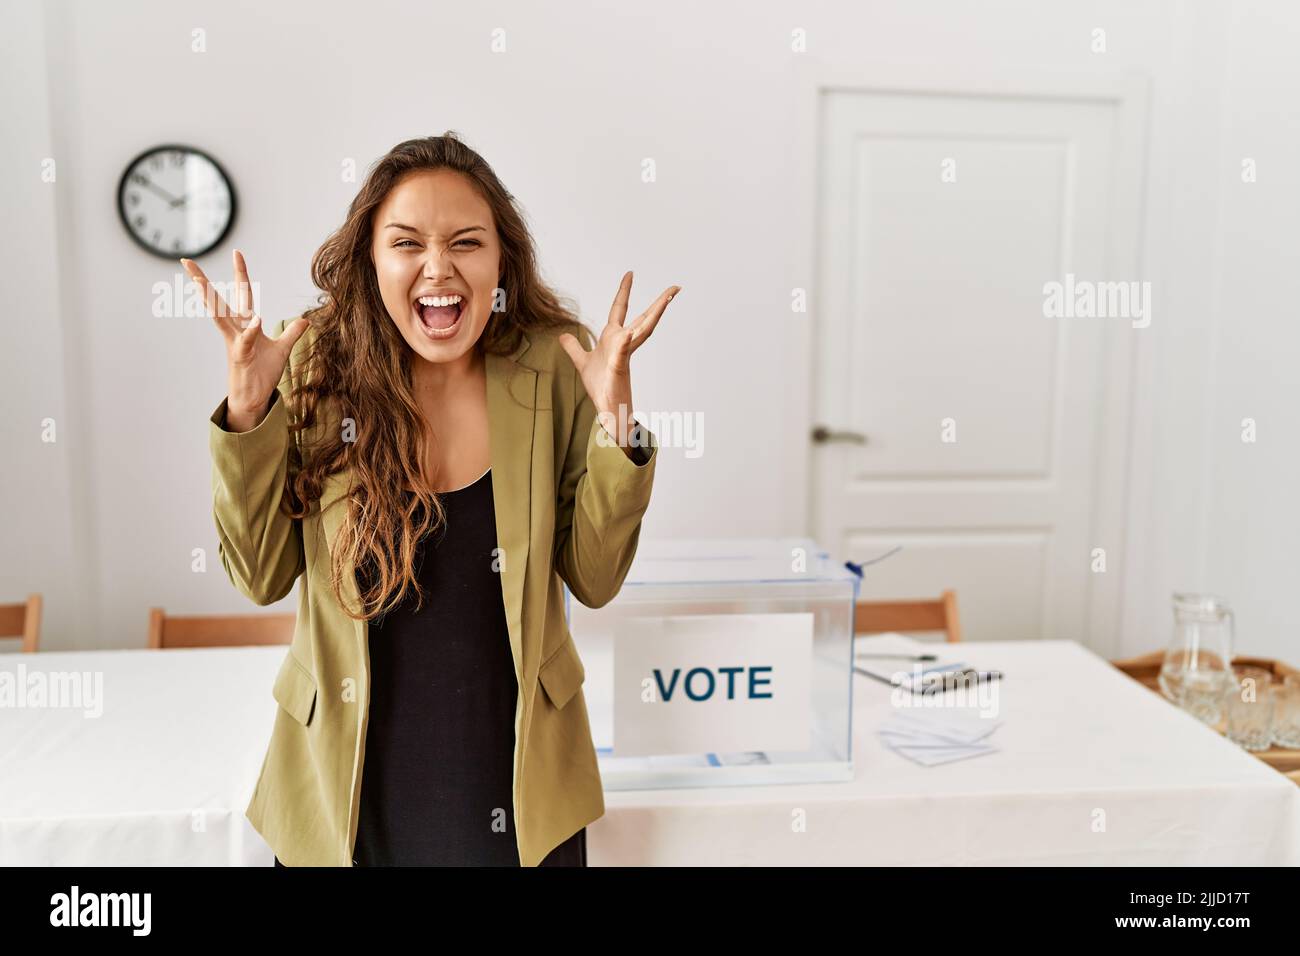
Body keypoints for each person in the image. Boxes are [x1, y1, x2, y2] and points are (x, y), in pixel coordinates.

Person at [186, 132, 679, 866]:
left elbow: (596, 580)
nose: (438, 269)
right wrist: (250, 414)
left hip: (516, 776)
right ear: (371, 260)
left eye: (467, 243)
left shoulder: (554, 364)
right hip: (348, 781)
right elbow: (259, 576)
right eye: (407, 243)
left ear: (501, 260)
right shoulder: (315, 367)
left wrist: (617, 427)